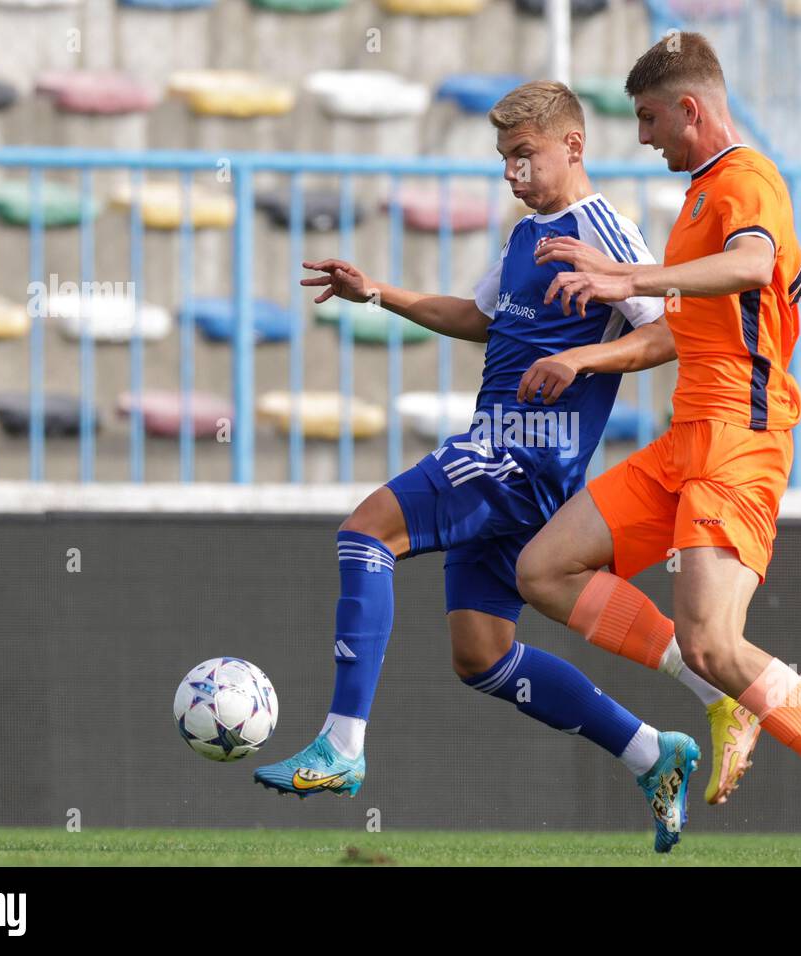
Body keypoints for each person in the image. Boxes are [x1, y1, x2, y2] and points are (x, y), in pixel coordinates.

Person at [253, 80, 751, 852]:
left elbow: (672, 335)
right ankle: (651, 751)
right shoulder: (527, 234)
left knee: (364, 536)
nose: (512, 173)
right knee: (480, 655)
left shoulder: (605, 228)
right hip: (499, 447)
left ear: (574, 146)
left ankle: (343, 747)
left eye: (524, 155)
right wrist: (377, 292)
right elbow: (478, 318)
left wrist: (582, 358)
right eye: (503, 159)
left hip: (521, 457)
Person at [517, 33, 801, 858]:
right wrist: (587, 354)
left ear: (690, 109)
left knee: (716, 640)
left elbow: (751, 266)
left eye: (649, 118)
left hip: (741, 439)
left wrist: (625, 278)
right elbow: (687, 328)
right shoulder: (703, 194)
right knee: (544, 569)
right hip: (685, 440)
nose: (642, 136)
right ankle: (720, 696)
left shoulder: (747, 180)